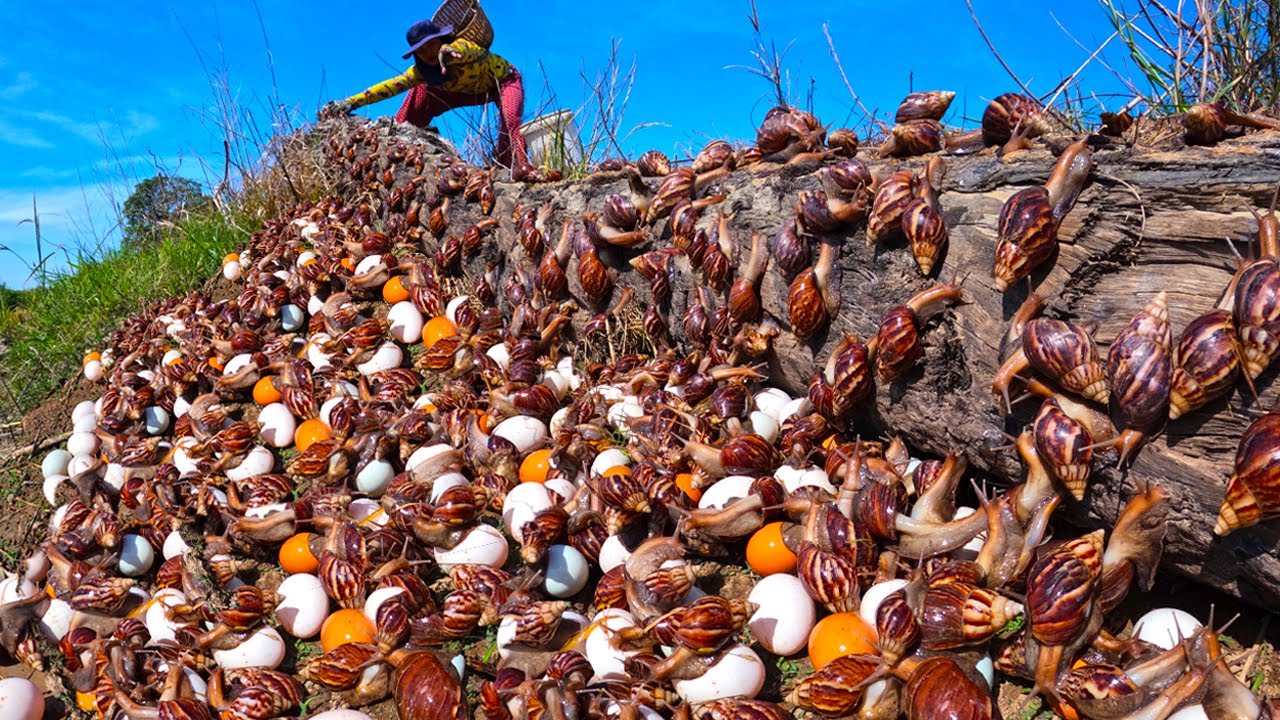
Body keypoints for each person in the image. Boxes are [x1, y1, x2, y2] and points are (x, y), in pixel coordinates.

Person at [323, 19, 529, 174]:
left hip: (502, 83)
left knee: (510, 121)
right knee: (420, 89)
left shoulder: (460, 48)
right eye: (421, 51)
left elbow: (469, 50)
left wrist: (449, 50)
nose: (428, 53)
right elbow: (390, 86)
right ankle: (398, 140)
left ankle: (516, 168)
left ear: (442, 40)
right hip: (458, 92)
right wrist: (351, 102)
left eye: (431, 45)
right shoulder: (420, 72)